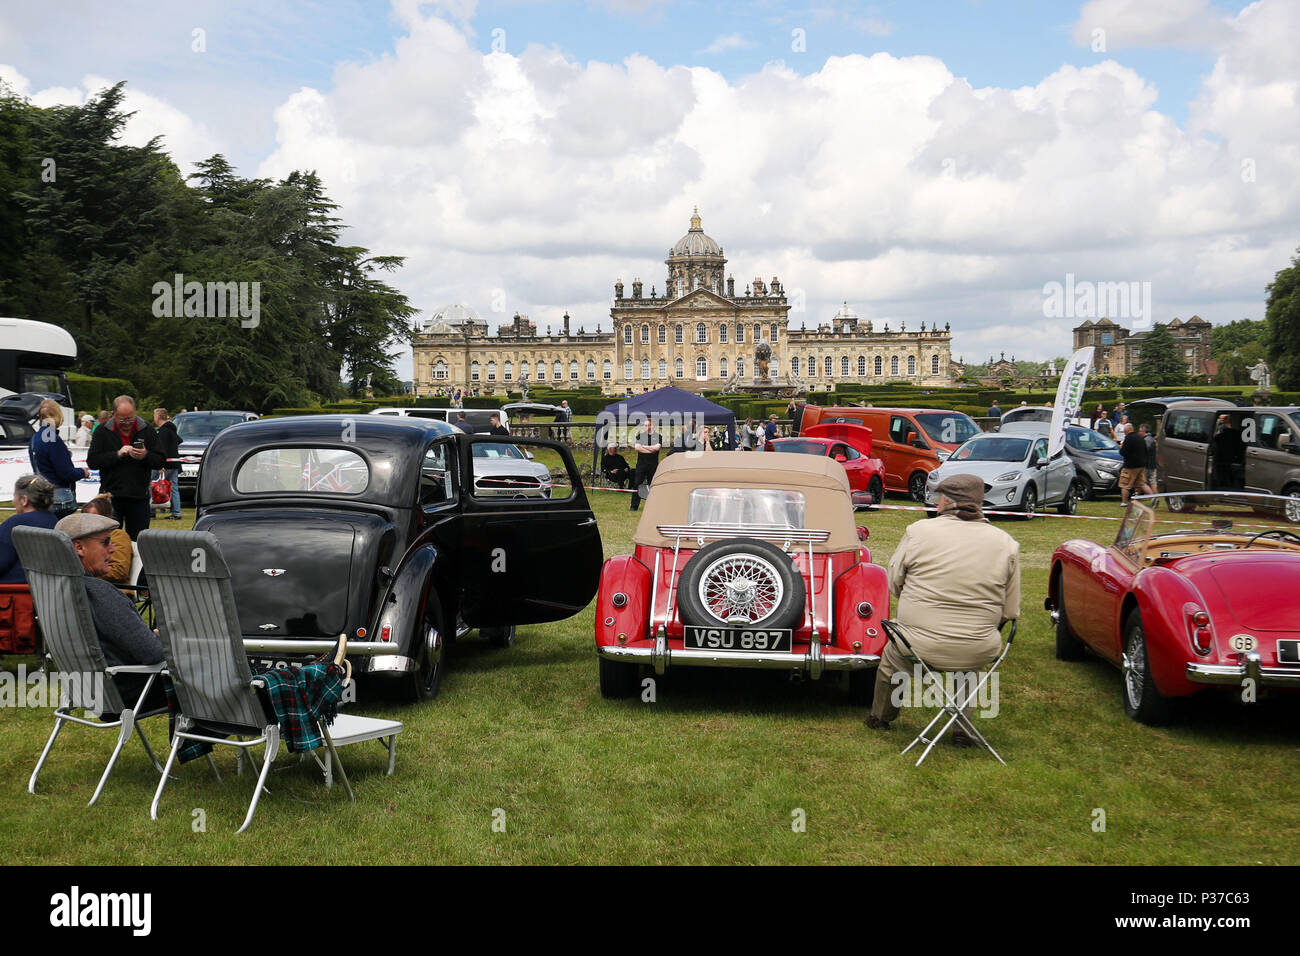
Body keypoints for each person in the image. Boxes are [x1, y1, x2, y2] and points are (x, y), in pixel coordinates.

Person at [865, 474, 1019, 740]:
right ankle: (961, 729)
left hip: (918, 644)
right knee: (968, 665)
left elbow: (894, 583)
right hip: (978, 646)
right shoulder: (1006, 543)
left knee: (891, 658)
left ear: (947, 501)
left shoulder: (919, 532)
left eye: (938, 499)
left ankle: (881, 717)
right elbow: (1010, 610)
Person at [55, 511, 165, 714]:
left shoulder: (54, 591)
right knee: (203, 679)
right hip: (129, 692)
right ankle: (192, 743)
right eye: (105, 542)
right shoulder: (100, 594)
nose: (113, 549)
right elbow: (153, 654)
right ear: (79, 547)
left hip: (85, 690)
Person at [86, 395, 165, 540]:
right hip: (110, 497)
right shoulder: (102, 431)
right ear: (113, 414)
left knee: (138, 542)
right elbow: (92, 461)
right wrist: (117, 454)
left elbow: (160, 460)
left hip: (139, 497)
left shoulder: (147, 430)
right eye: (122, 419)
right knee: (107, 540)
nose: (127, 423)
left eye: (130, 418)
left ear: (135, 413)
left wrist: (145, 455)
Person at [28, 399, 90, 518]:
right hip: (56, 497)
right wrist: (83, 472)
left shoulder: (34, 438)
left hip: (40, 494)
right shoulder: (52, 438)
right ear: (57, 416)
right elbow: (65, 473)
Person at [0, 476, 59, 584]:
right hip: (50, 590)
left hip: (15, 592)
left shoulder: (16, 523)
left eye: (14, 497)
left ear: (24, 500)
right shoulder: (56, 521)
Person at [81, 495, 133, 586]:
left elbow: (119, 571)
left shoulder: (117, 535)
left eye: (94, 519)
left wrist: (84, 576)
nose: (89, 523)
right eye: (85, 519)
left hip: (115, 590)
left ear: (106, 518)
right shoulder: (82, 537)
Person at [152, 407, 182, 520]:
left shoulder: (163, 431)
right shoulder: (171, 429)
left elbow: (162, 448)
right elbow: (179, 440)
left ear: (158, 417)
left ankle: (151, 511)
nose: (154, 418)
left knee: (153, 485)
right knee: (174, 488)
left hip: (165, 463)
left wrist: (160, 464)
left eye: (154, 416)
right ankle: (176, 512)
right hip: (175, 462)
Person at [629, 423, 663, 512]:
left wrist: (643, 447)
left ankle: (653, 505)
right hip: (641, 465)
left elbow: (657, 448)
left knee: (652, 485)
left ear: (653, 426)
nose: (646, 427)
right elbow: (637, 448)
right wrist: (650, 449)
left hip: (653, 465)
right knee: (637, 484)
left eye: (648, 425)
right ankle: (634, 506)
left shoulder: (658, 436)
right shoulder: (640, 436)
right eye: (645, 425)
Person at [1119, 422, 1154, 504]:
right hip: (1141, 465)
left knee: (1125, 485)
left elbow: (1123, 452)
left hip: (1130, 466)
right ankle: (1153, 498)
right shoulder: (1141, 438)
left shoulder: (1128, 438)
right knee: (1142, 484)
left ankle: (1124, 502)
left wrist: (1121, 447)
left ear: (1126, 431)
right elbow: (1145, 451)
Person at [1211, 414, 1241, 489]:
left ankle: (1221, 483)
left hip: (1222, 457)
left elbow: (1214, 441)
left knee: (1222, 471)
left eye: (1223, 419)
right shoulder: (1235, 433)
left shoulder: (1221, 433)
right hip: (1230, 456)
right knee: (1227, 471)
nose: (1221, 420)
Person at [1140, 423, 1158, 493]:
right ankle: (1154, 497)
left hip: (1148, 464)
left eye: (1140, 431)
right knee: (1151, 481)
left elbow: (1144, 451)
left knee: (1146, 481)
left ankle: (1154, 496)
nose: (1139, 432)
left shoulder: (1146, 440)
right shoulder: (1151, 438)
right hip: (1152, 463)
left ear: (1143, 431)